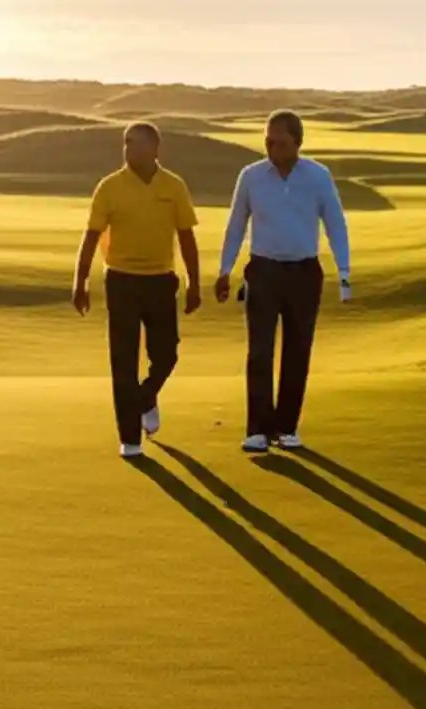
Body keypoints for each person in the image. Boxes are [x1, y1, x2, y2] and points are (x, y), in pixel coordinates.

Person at [215, 109, 351, 453]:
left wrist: (345, 271)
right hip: (263, 271)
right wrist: (224, 269)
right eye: (267, 140)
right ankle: (258, 429)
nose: (270, 145)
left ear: (297, 142)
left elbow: (335, 223)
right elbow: (236, 225)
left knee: (297, 351)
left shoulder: (318, 176)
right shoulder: (251, 176)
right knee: (259, 352)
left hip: (304, 273)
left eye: (278, 141)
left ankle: (287, 427)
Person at [72, 122, 203, 459]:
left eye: (137, 145)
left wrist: (194, 282)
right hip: (122, 281)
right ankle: (130, 438)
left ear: (155, 150)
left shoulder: (173, 186)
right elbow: (90, 236)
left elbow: (187, 236)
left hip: (161, 281)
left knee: (167, 355)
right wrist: (80, 280)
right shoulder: (110, 187)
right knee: (123, 361)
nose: (129, 150)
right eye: (126, 144)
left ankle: (146, 398)